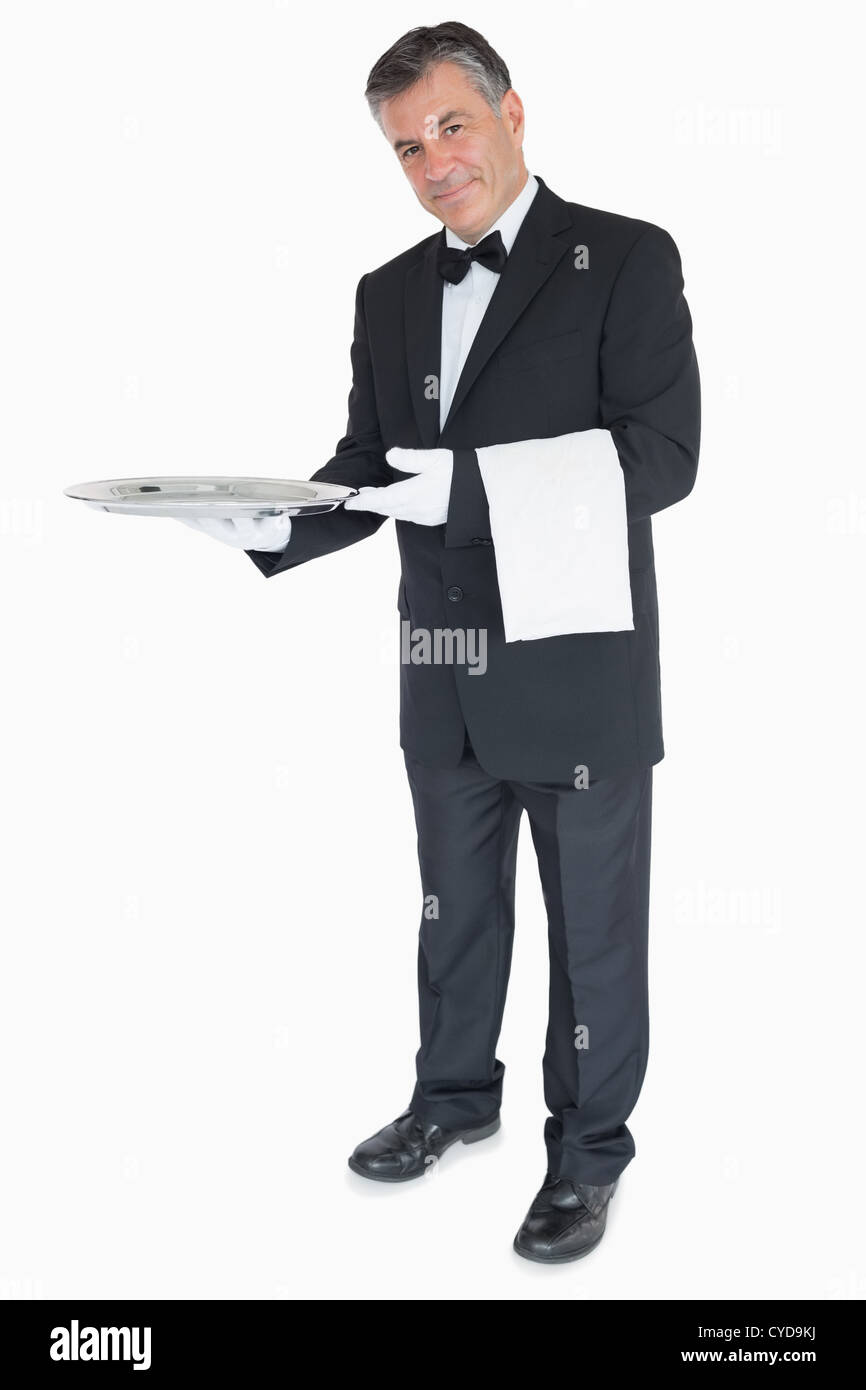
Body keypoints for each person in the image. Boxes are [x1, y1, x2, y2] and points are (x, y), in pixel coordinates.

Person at [183, 20, 700, 1264]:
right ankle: (450, 1101)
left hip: (576, 672)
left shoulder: (625, 258)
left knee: (591, 933)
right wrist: (276, 523)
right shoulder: (388, 291)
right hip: (443, 669)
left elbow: (660, 462)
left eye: (449, 128)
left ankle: (585, 1160)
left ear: (512, 114)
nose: (431, 164)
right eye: (405, 147)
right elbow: (370, 467)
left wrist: (465, 492)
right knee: (451, 910)